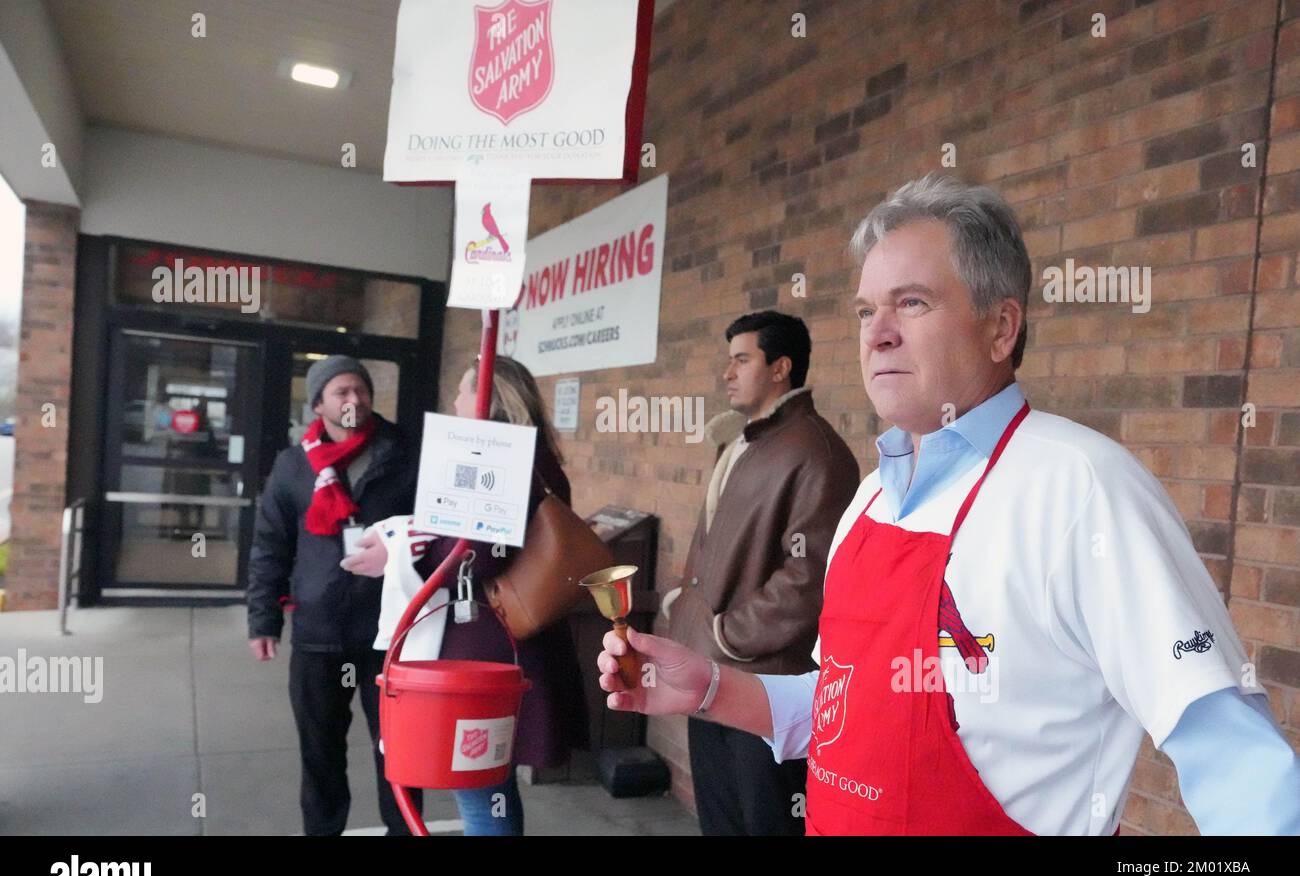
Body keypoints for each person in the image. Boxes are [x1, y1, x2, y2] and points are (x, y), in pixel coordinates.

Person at [598, 173, 1300, 835]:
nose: (877, 333)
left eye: (912, 302)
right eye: (867, 310)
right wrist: (711, 687)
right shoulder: (870, 499)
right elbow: (845, 710)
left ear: (1002, 328)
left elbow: (1241, 768)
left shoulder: (1080, 486)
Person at [342, 355, 589, 836]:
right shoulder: (538, 459)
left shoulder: (497, 458)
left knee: (478, 790)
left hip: (485, 653)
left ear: (486, 399)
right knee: (489, 789)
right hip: (514, 643)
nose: (454, 400)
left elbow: (474, 554)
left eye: (462, 390)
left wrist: (397, 554)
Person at [661, 310, 858, 835]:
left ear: (781, 368)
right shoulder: (743, 443)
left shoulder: (815, 451)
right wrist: (684, 608)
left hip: (769, 687)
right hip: (712, 674)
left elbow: (810, 577)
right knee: (721, 823)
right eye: (729, 361)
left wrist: (728, 633)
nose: (728, 373)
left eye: (742, 360)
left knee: (767, 824)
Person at [246, 355, 418, 836]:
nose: (353, 400)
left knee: (399, 752)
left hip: (390, 634)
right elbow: (270, 547)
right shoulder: (293, 465)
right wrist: (263, 620)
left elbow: (435, 529)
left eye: (360, 390)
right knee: (320, 754)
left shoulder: (407, 452)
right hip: (319, 634)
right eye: (341, 392)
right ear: (318, 402)